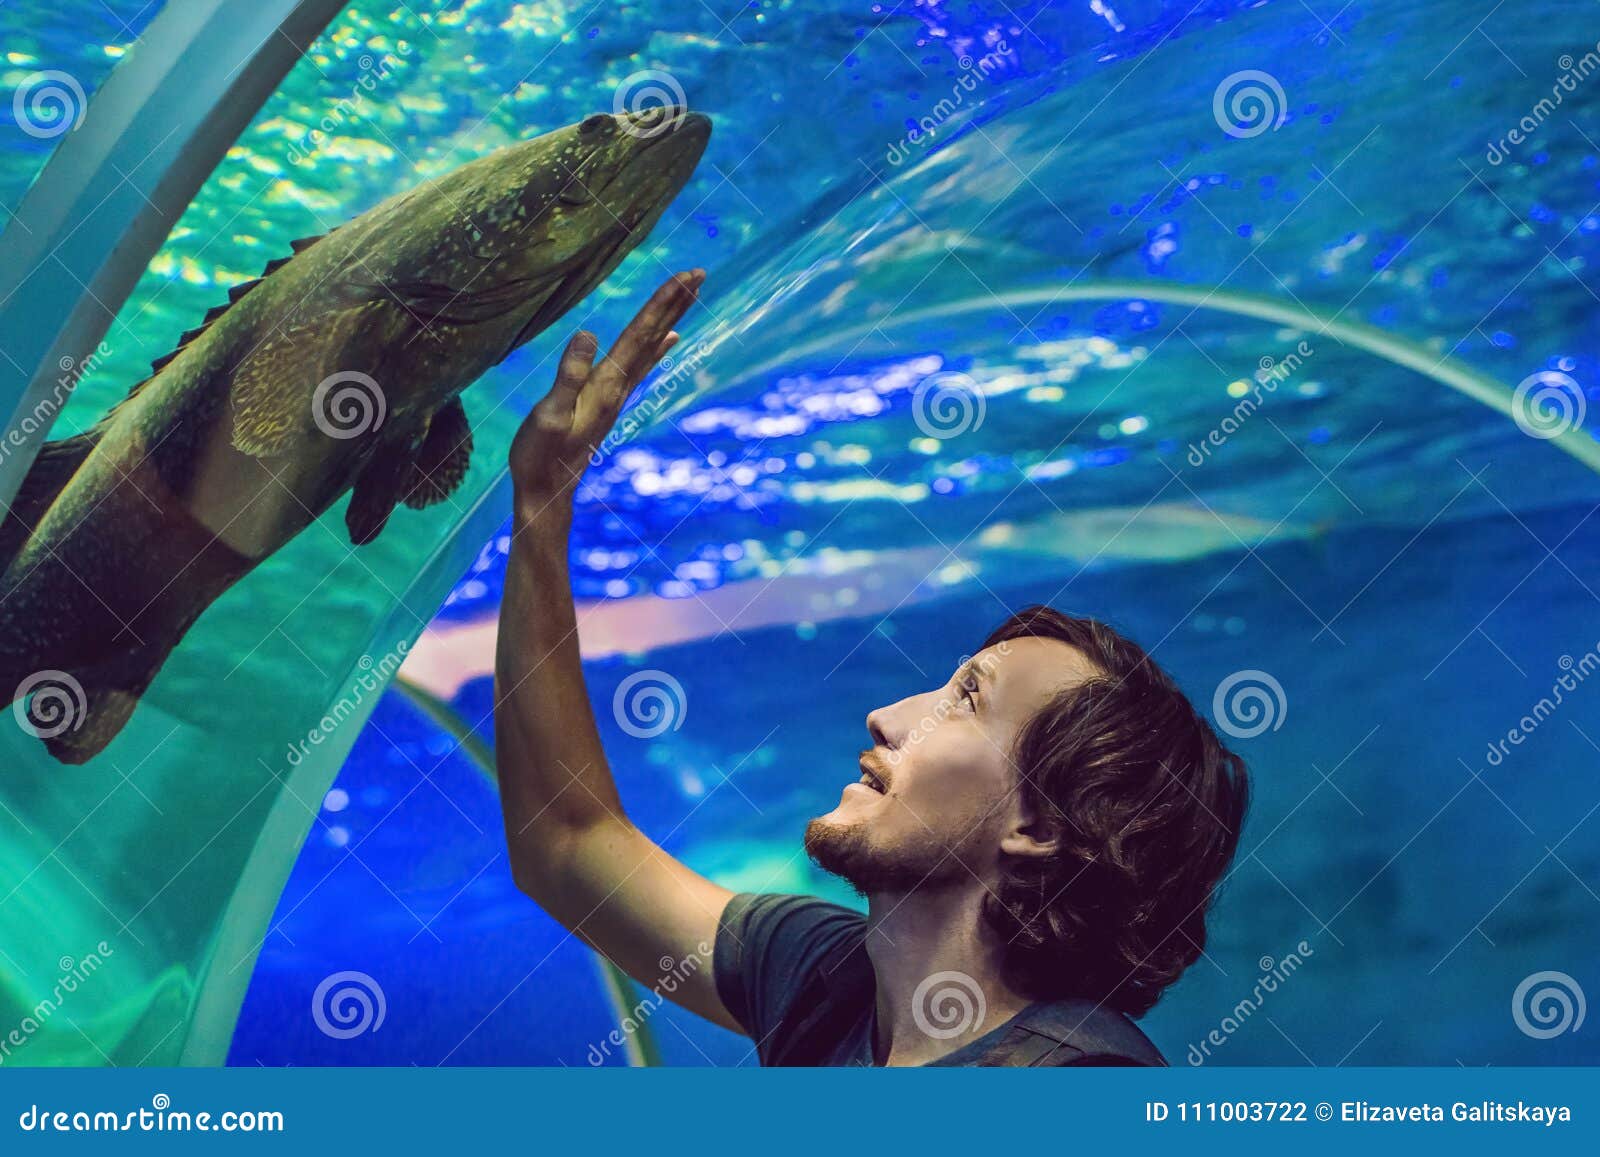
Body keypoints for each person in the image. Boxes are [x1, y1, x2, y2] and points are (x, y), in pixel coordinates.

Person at [495, 270, 1251, 1066]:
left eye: (964, 700)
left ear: (1040, 829)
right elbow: (568, 842)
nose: (888, 715)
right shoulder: (831, 980)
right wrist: (544, 507)